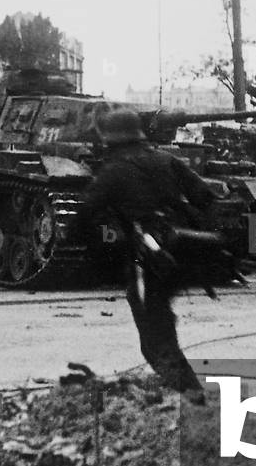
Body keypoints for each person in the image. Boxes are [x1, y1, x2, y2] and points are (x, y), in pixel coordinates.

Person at [79, 109, 218, 395]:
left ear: (109, 138)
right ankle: (189, 394)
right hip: (179, 248)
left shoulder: (113, 170)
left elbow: (84, 217)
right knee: (160, 322)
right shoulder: (166, 159)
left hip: (149, 256)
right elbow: (206, 198)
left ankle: (193, 398)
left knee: (154, 341)